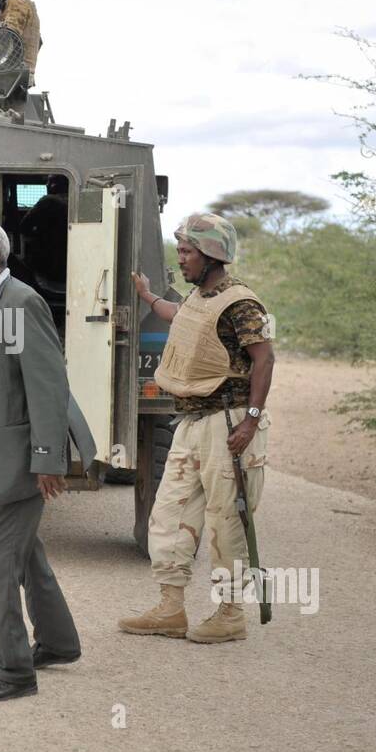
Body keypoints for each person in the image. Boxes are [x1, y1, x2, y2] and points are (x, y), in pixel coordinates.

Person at [0, 219, 96, 702]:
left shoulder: (21, 302)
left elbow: (47, 384)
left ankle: (11, 672)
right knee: (28, 556)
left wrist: (46, 458)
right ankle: (57, 643)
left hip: (17, 461)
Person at [117, 213, 275, 644]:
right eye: (182, 250)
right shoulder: (200, 297)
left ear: (211, 255)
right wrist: (149, 297)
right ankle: (171, 608)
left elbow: (264, 359)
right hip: (191, 423)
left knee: (227, 521)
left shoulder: (241, 303)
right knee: (169, 513)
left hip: (229, 424)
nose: (181, 259)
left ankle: (229, 614)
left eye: (187, 252)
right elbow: (180, 317)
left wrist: (251, 421)